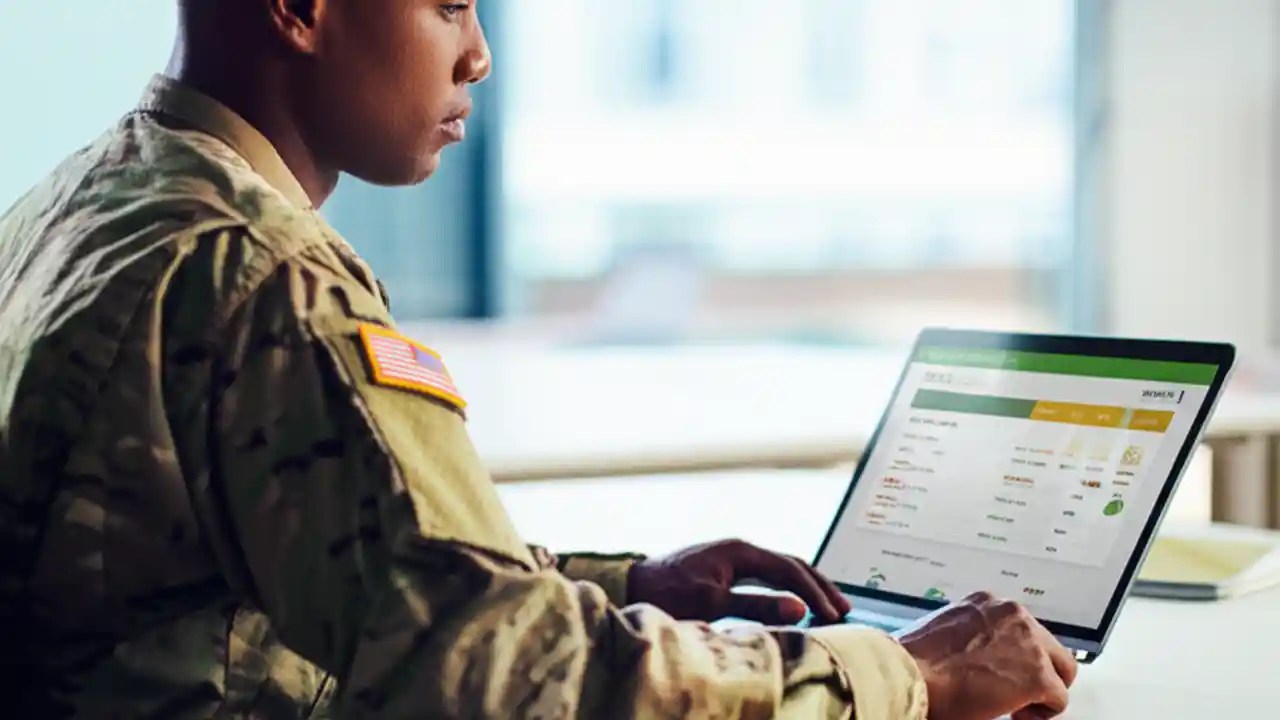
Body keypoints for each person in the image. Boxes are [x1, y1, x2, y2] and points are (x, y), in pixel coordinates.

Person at [0, 1, 1076, 717]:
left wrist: (623, 586)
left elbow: (351, 568)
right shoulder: (268, 274)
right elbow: (497, 677)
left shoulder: (85, 201)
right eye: (448, 5)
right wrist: (903, 675)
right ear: (298, 7)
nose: (477, 55)